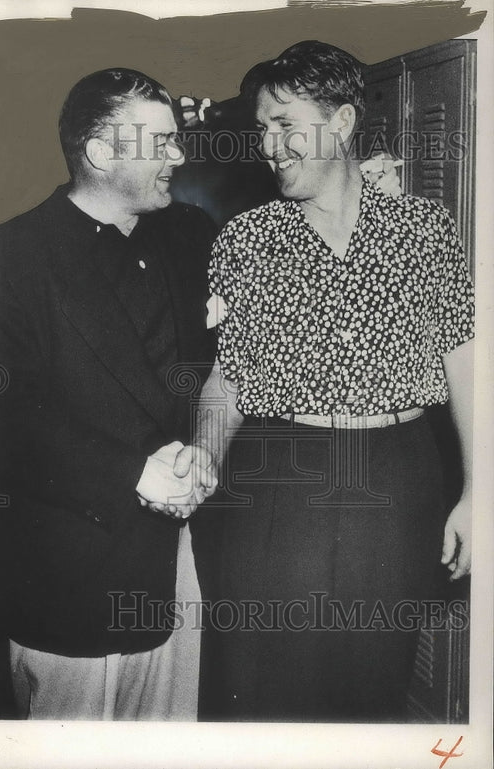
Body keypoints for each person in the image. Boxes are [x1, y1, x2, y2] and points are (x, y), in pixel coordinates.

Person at [181, 41, 474, 722]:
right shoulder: (247, 239)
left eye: (285, 123)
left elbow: (466, 360)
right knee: (260, 688)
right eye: (261, 128)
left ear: (341, 123)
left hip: (399, 479)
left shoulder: (425, 229)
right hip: (283, 473)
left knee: (372, 691)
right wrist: (202, 451)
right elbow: (230, 375)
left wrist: (478, 494)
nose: (269, 144)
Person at [0, 68, 218, 720]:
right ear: (100, 152)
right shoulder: (13, 252)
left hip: (171, 567)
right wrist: (129, 470)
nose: (179, 155)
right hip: (69, 581)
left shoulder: (189, 234)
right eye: (162, 142)